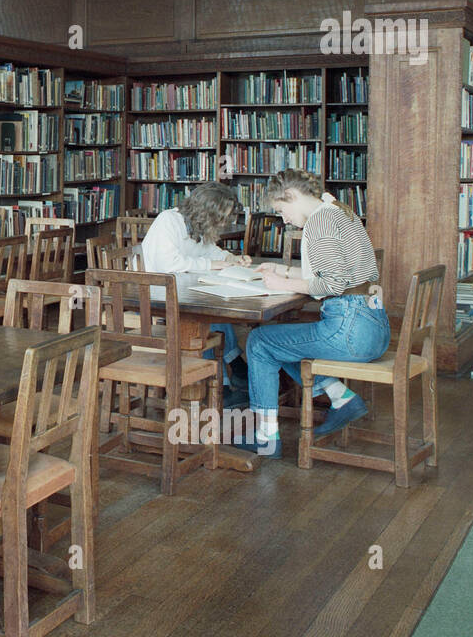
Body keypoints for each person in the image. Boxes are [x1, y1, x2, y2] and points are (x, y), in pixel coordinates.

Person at [243, 169, 387, 458]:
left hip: (349, 331)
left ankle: (266, 438)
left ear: (293, 196)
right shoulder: (338, 210)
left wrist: (284, 284)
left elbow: (332, 284)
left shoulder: (319, 223)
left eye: (281, 209)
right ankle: (340, 397)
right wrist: (282, 270)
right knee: (284, 343)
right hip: (374, 325)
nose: (283, 219)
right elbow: (340, 275)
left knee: (260, 342)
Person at [136, 181, 253, 400]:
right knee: (206, 317)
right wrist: (212, 265)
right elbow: (169, 264)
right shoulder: (169, 221)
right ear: (205, 212)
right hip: (152, 296)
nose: (222, 222)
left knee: (215, 308)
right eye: (219, 217)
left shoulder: (197, 226)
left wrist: (230, 258)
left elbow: (209, 250)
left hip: (181, 293)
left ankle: (227, 375)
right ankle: (225, 380)